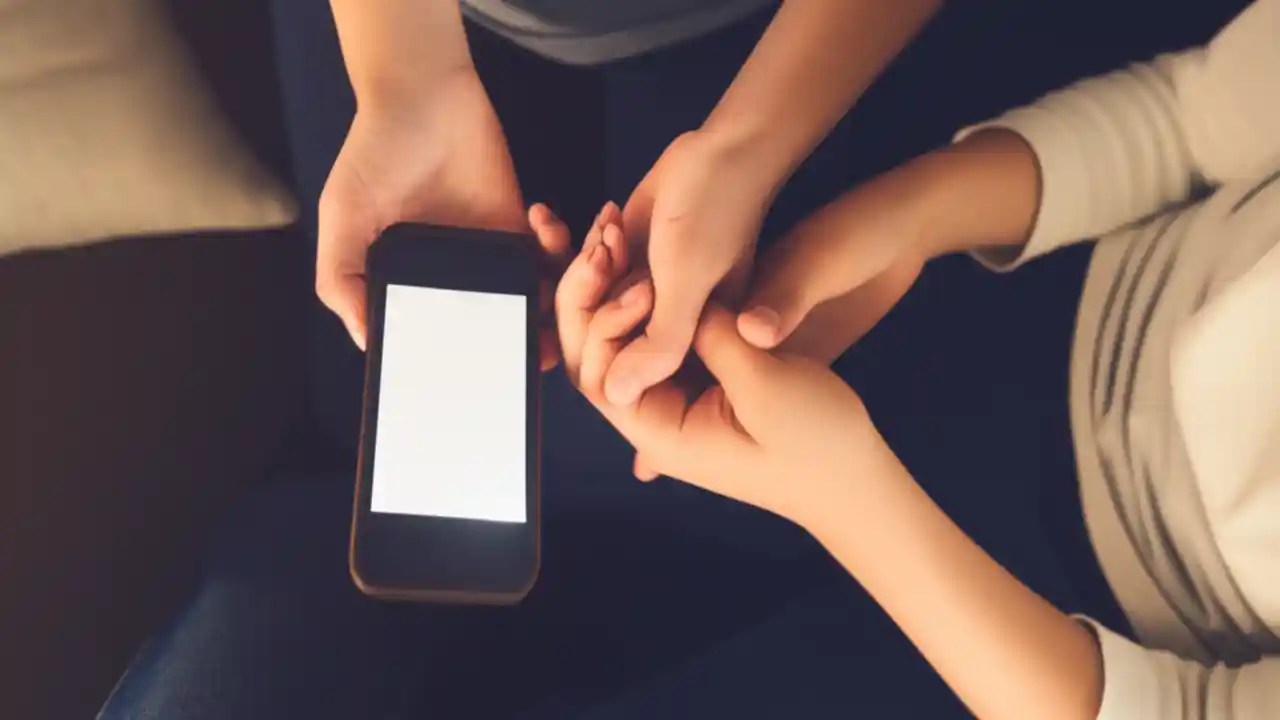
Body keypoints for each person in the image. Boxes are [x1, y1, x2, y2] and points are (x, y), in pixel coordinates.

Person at [548, 0, 1280, 717]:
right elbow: (1186, 122)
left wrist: (844, 497)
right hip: (1020, 271)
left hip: (1043, 648)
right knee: (536, 438)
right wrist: (901, 226)